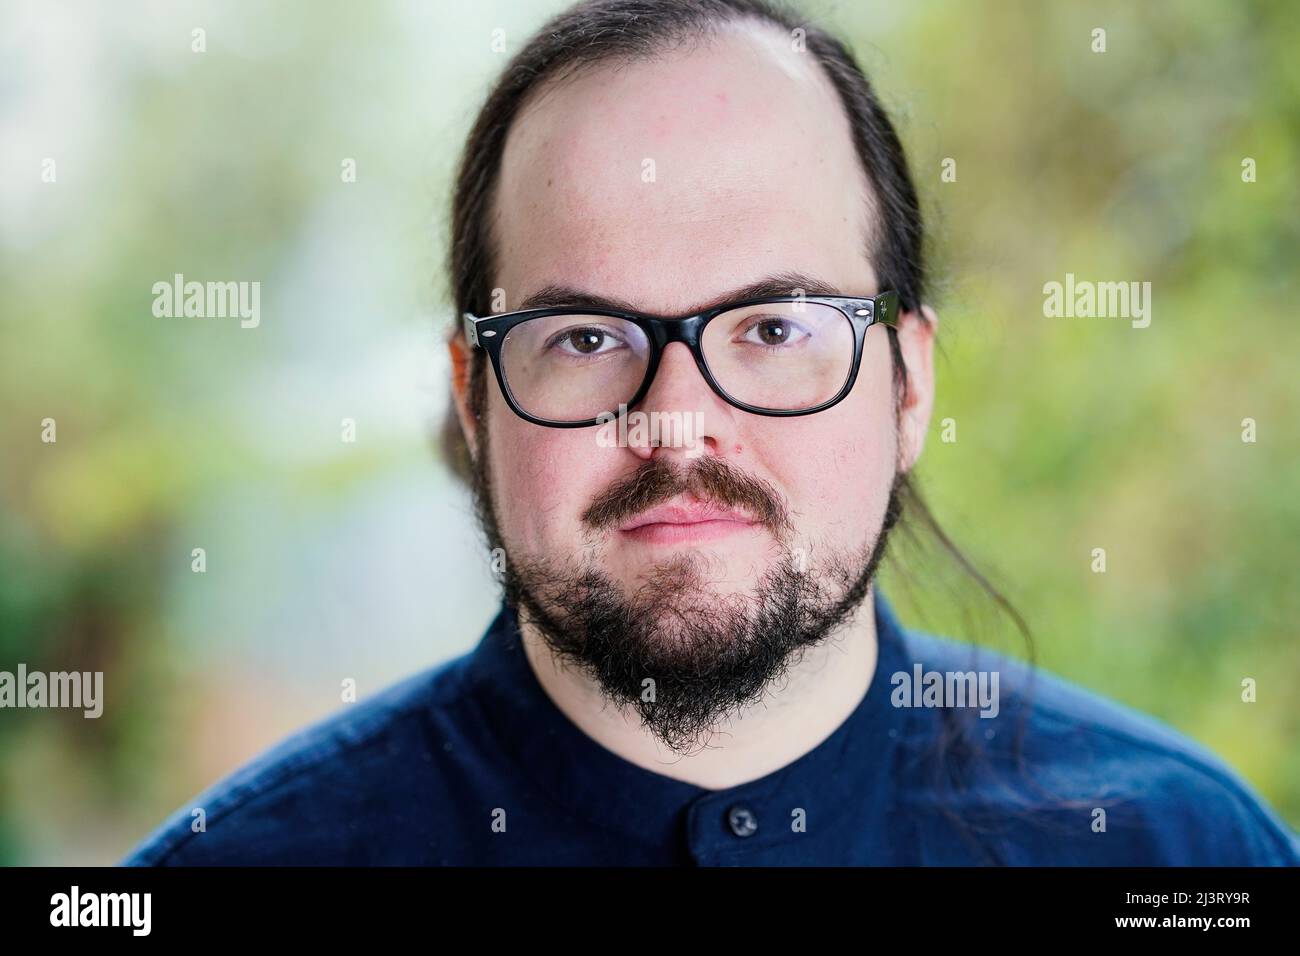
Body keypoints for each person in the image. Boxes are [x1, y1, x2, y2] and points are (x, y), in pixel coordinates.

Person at [123, 0, 1300, 866]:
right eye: (583, 336)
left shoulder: (1187, 854)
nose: (676, 419)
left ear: (907, 386)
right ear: (474, 402)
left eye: (775, 326)